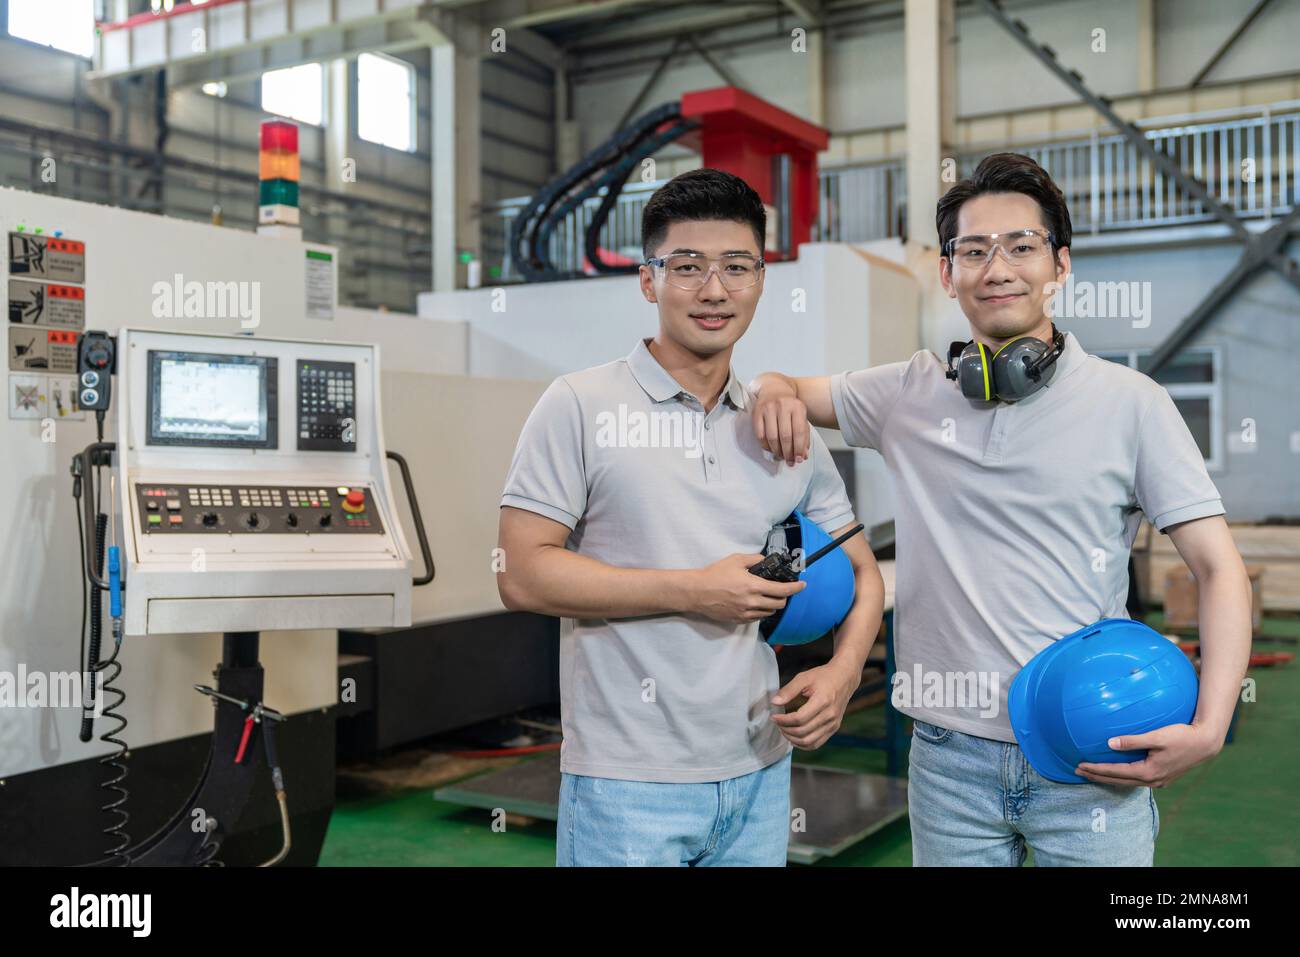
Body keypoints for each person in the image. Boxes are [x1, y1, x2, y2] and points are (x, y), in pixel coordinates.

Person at [750, 152, 1251, 866]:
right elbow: (785, 385)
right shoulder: (908, 394)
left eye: (1022, 246)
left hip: (1091, 753)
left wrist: (1211, 723)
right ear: (949, 273)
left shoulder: (1132, 404)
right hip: (948, 762)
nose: (998, 268)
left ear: (1061, 266)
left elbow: (1218, 568)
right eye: (974, 250)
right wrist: (771, 387)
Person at [497, 168, 885, 867]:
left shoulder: (781, 424)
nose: (714, 290)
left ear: (762, 280)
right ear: (649, 281)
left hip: (761, 769)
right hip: (626, 782)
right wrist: (694, 589)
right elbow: (522, 573)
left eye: (737, 266)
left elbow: (862, 572)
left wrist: (843, 671)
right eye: (687, 267)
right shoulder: (579, 405)